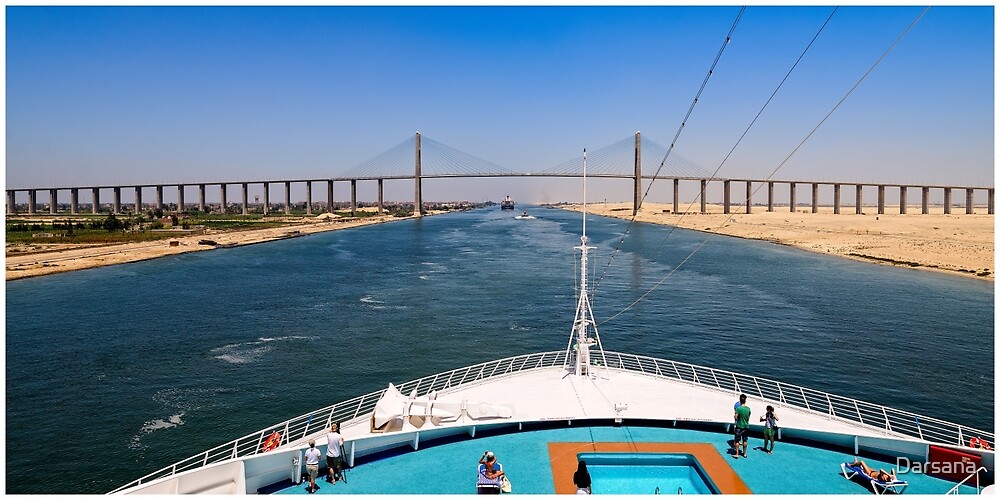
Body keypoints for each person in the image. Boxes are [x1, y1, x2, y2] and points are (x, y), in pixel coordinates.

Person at [732, 394, 751, 459]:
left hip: (739, 426)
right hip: (746, 426)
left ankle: (737, 454)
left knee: (737, 441)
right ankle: (744, 453)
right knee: (745, 441)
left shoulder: (738, 408)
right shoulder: (748, 409)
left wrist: (735, 416)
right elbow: (748, 416)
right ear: (745, 401)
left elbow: (736, 417)